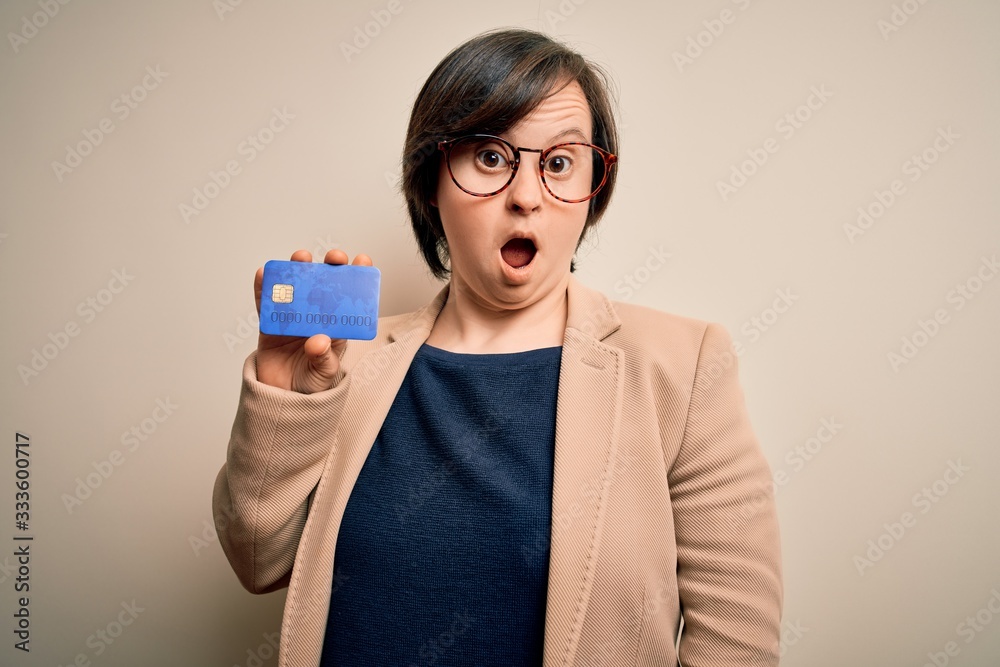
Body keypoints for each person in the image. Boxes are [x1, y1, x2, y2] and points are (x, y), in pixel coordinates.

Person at [213, 28, 782, 667]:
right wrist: (282, 393)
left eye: (560, 162)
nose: (527, 196)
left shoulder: (682, 365)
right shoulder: (348, 366)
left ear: (595, 189)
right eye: (489, 156)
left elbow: (737, 641)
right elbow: (259, 562)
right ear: (431, 181)